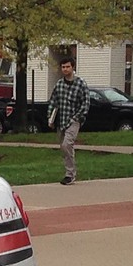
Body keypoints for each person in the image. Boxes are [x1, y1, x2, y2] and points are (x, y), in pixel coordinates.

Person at [48, 56, 89, 185]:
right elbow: (53, 102)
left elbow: (86, 103)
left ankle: (70, 174)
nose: (65, 69)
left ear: (73, 67)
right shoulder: (59, 84)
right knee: (64, 148)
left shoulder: (81, 84)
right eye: (63, 67)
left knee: (67, 144)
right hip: (61, 120)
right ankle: (69, 173)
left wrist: (76, 117)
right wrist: (50, 117)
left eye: (67, 67)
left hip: (74, 120)